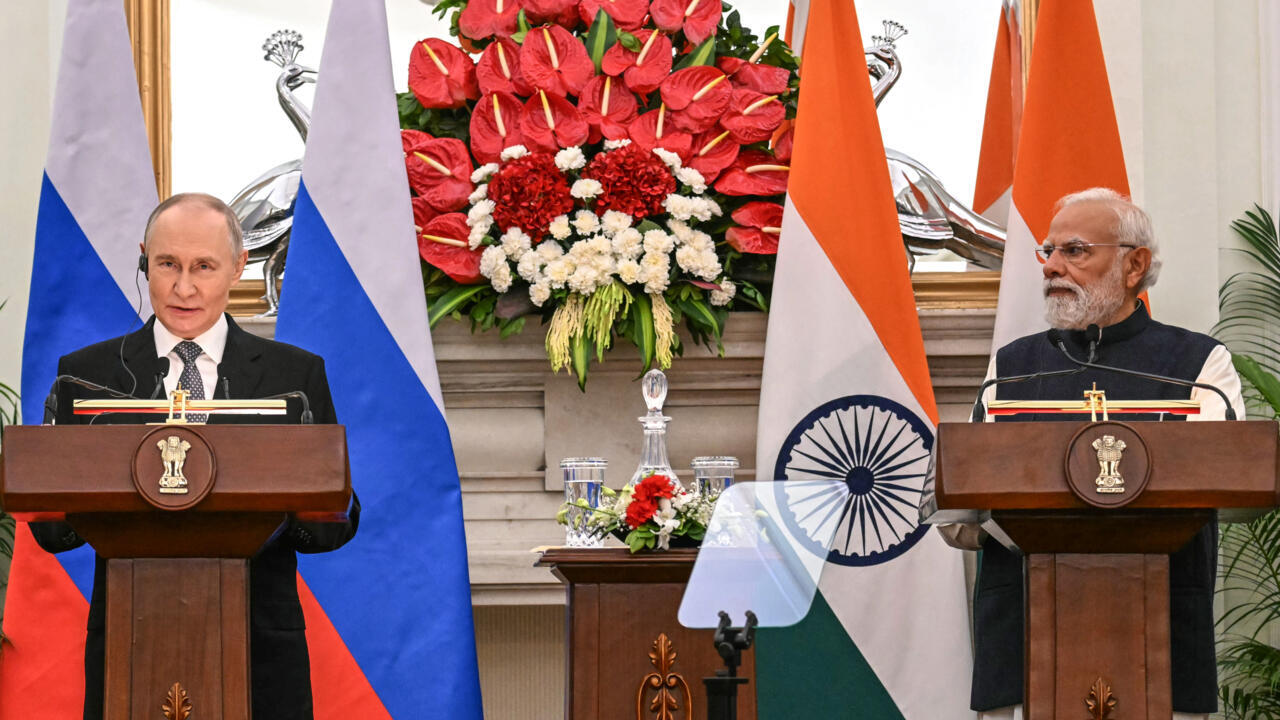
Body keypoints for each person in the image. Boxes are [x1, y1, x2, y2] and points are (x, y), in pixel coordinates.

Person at [30, 192, 360, 720]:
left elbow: (332, 527)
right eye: (168, 265)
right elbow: (52, 532)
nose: (184, 288)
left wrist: (288, 500)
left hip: (261, 652)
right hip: (129, 646)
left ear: (237, 266)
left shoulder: (293, 377)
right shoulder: (87, 376)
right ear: (144, 261)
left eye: (203, 267)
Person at [943, 188, 1244, 720]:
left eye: (1075, 251)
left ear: (1135, 265)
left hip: (1160, 632)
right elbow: (960, 509)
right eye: (1048, 251)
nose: (1051, 266)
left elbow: (1224, 478)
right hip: (1024, 632)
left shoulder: (1199, 364)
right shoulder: (1014, 366)